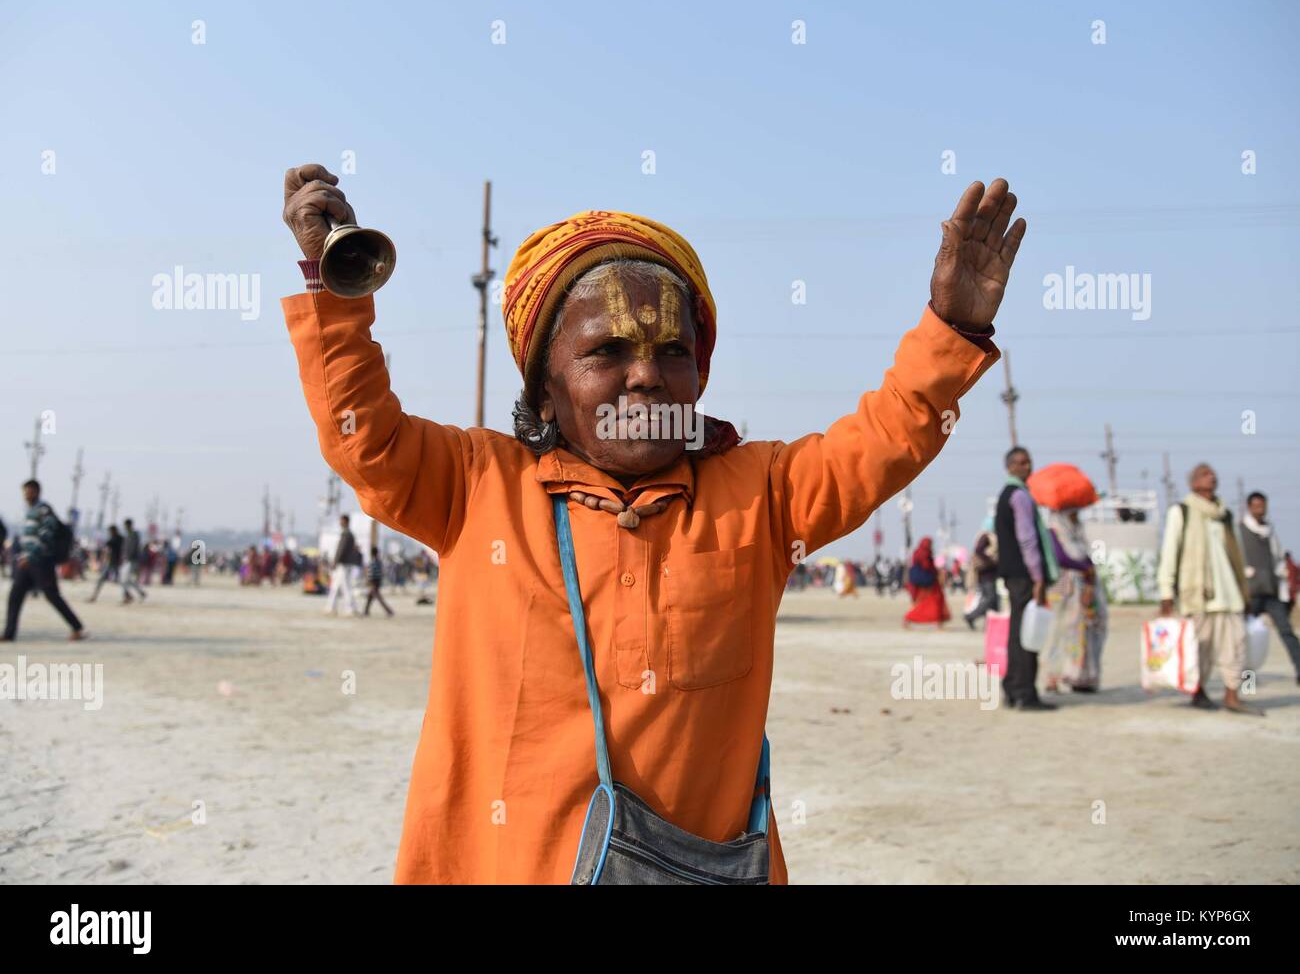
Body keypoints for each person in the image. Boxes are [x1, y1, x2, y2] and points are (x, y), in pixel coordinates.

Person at [281, 164, 1022, 884]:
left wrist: (951, 328)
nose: (646, 374)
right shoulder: (475, 486)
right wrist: (332, 287)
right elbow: (363, 436)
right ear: (545, 390)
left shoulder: (761, 495)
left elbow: (885, 440)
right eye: (607, 351)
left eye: (674, 350)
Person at [1157, 463, 1260, 715]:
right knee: (1199, 649)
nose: (1211, 476)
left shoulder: (1225, 515)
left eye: (1213, 473)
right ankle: (1198, 692)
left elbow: (1239, 555)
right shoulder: (1181, 511)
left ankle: (1232, 696)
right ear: (1193, 483)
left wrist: (1245, 592)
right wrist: (1166, 591)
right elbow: (1169, 551)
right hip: (1197, 593)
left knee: (1236, 646)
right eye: (1205, 474)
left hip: (1230, 595)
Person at [995, 447, 1060, 710]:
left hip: (1014, 574)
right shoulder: (1020, 496)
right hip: (1024, 575)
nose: (1026, 466)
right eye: (1020, 462)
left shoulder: (1006, 495)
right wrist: (1038, 577)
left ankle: (1013, 688)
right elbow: (1027, 539)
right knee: (1028, 634)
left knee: (1017, 632)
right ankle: (1024, 692)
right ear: (1010, 466)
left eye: (1028, 461)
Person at [3, 480, 87, 642]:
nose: (26, 495)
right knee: (15, 596)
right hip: (27, 562)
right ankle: (9, 634)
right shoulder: (29, 511)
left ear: (37, 492)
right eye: (25, 492)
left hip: (41, 562)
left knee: (52, 596)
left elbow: (46, 536)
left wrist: (31, 556)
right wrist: (23, 556)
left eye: (29, 492)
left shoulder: (43, 510)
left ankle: (77, 628)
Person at [1042, 509, 1107, 692]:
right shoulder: (1053, 531)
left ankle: (1079, 676)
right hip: (1063, 590)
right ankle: (1053, 677)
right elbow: (1061, 558)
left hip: (1081, 591)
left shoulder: (1077, 534)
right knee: (1057, 633)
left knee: (1082, 633)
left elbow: (1088, 558)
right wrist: (1084, 568)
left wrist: (1089, 576)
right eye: (1072, 510)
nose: (1076, 514)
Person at [1239, 491, 1300, 684]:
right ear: (1249, 507)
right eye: (1256, 506)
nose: (1260, 510)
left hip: (1272, 593)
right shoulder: (1240, 531)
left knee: (1287, 632)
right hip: (1251, 595)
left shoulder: (1270, 531)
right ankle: (1247, 683)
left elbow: (1278, 560)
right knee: (1247, 638)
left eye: (1262, 506)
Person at [903, 537, 949, 627]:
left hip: (920, 583)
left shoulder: (917, 552)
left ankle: (938, 621)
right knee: (934, 600)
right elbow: (927, 566)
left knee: (921, 602)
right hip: (928, 583)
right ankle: (937, 621)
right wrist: (936, 571)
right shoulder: (925, 553)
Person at [963, 517, 999, 628]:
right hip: (987, 574)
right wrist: (990, 561)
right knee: (990, 599)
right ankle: (971, 616)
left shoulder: (986, 536)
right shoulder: (986, 536)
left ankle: (992, 625)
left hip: (989, 574)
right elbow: (979, 551)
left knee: (994, 602)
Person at [326, 515, 361, 615]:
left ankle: (350, 608)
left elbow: (341, 550)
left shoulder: (346, 534)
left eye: (341, 520)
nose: (340, 522)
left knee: (345, 587)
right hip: (344, 563)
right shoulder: (349, 534)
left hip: (344, 564)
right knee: (336, 586)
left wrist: (335, 562)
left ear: (345, 521)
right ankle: (331, 607)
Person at [88, 524, 125, 602]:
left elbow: (107, 546)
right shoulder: (119, 538)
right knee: (120, 580)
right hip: (113, 562)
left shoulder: (115, 539)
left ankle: (94, 596)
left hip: (114, 562)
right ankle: (94, 596)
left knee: (119, 580)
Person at [120, 519, 148, 603]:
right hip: (127, 560)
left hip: (132, 560)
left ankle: (127, 596)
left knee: (125, 579)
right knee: (125, 579)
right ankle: (140, 593)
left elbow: (134, 548)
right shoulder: (128, 535)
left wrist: (128, 557)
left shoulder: (134, 535)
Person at [363, 546, 395, 617]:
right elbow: (381, 572)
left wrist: (368, 580)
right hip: (377, 581)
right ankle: (366, 611)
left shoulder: (373, 561)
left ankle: (389, 611)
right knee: (370, 596)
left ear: (371, 553)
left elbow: (371, 572)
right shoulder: (379, 561)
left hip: (373, 581)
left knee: (378, 597)